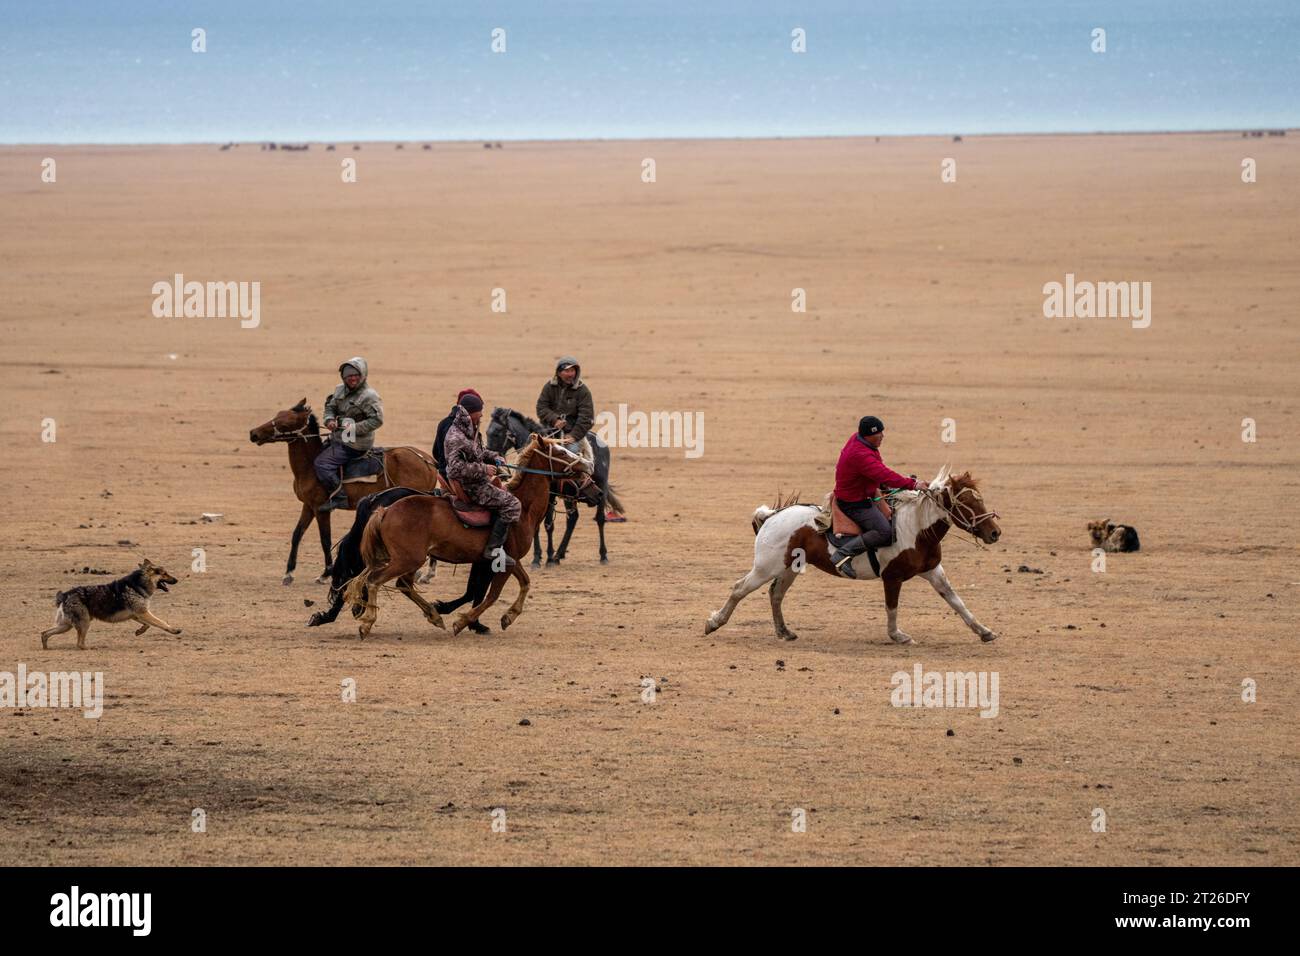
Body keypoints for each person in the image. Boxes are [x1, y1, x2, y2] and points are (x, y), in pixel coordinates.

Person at [830, 415, 930, 578]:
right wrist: (914, 484)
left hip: (866, 491)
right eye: (879, 434)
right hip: (855, 502)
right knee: (884, 532)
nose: (882, 436)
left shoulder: (859, 439)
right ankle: (842, 554)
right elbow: (883, 473)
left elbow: (878, 471)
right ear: (868, 436)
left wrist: (902, 482)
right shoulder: (860, 454)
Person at [536, 356, 625, 521]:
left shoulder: (582, 391)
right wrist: (554, 419)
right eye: (566, 371)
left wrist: (573, 435)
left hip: (573, 433)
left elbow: (587, 417)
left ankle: (578, 489)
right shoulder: (549, 387)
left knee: (572, 457)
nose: (570, 374)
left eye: (572, 370)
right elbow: (541, 407)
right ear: (559, 372)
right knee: (533, 452)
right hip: (551, 431)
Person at [444, 393, 520, 568]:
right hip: (470, 486)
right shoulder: (457, 437)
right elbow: (456, 468)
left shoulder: (469, 430)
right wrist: (484, 469)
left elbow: (479, 452)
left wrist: (495, 457)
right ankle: (493, 550)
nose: (482, 415)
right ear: (471, 413)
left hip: (476, 480)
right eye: (480, 411)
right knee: (512, 504)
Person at [316, 357, 383, 512]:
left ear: (362, 375)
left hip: (356, 443)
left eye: (355, 375)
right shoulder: (339, 389)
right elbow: (330, 408)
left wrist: (351, 428)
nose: (352, 378)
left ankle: (340, 497)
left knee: (322, 464)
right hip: (339, 438)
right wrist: (329, 420)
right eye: (348, 376)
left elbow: (377, 420)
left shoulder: (369, 396)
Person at [434, 387, 482, 484]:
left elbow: (435, 452)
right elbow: (469, 459)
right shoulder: (461, 430)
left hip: (445, 474)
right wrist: (484, 468)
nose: (481, 415)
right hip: (462, 479)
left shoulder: (443, 423)